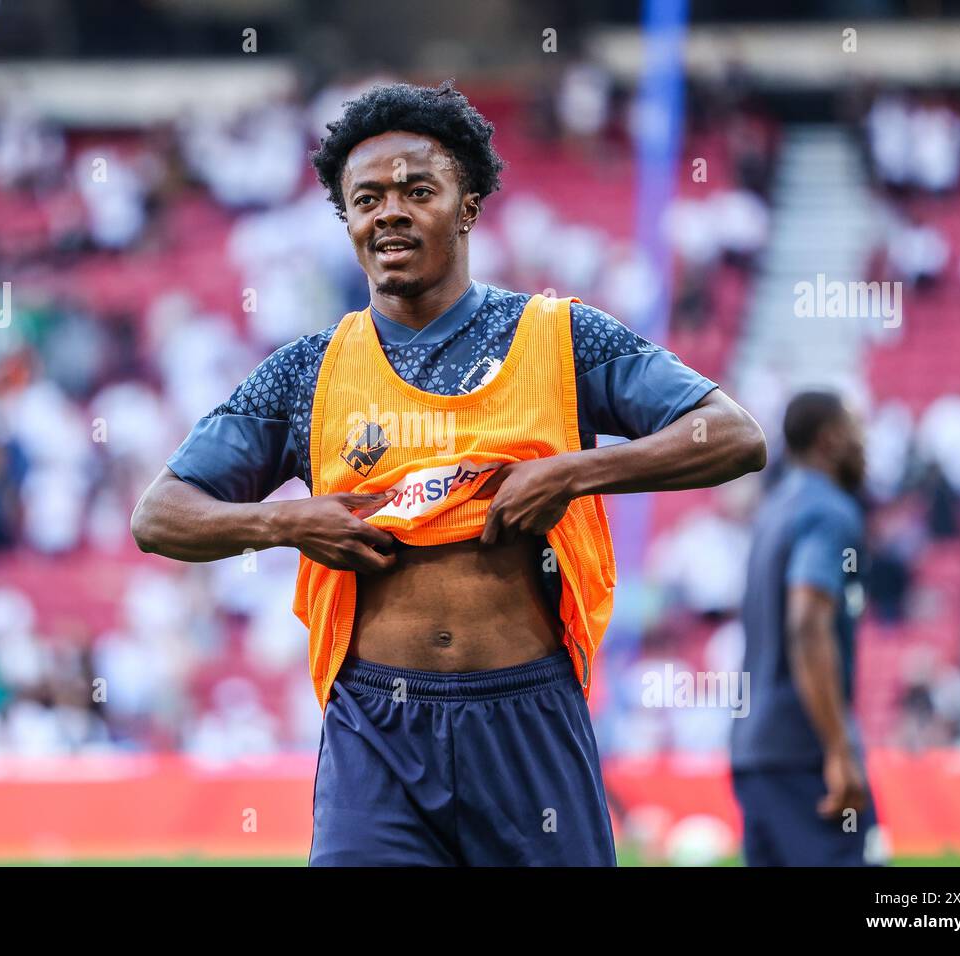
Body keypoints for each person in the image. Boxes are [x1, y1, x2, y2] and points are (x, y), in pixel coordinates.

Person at [132, 81, 767, 866]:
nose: (388, 211)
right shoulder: (308, 373)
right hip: (377, 732)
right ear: (347, 221)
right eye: (366, 198)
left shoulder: (557, 337)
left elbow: (732, 435)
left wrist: (571, 472)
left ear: (466, 206)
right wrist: (288, 521)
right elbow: (160, 515)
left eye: (416, 191)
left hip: (527, 718)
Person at [730, 391, 885, 866]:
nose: (864, 444)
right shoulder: (829, 511)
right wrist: (838, 750)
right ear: (831, 439)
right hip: (804, 755)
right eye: (857, 431)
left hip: (753, 755)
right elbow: (806, 624)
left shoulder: (773, 510)